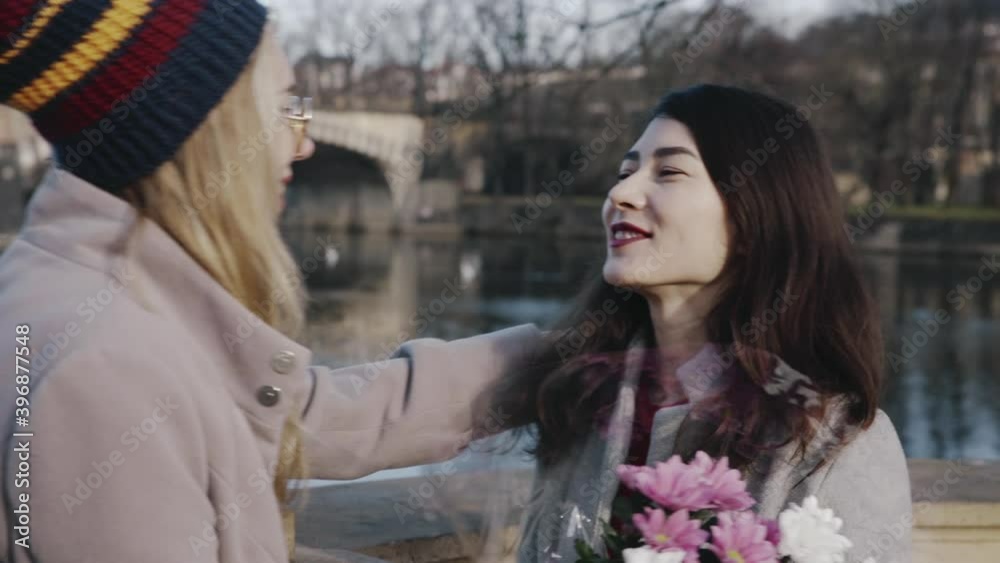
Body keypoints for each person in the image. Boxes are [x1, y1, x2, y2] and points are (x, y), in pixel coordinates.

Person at [0, 2, 541, 562]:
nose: (304, 144)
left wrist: (556, 357)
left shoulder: (83, 298)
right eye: (284, 108)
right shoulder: (106, 374)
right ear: (204, 128)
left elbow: (304, 416)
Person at [486, 84, 913, 563]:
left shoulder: (836, 441)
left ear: (756, 218)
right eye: (625, 172)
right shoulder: (578, 403)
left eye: (668, 172)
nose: (621, 193)